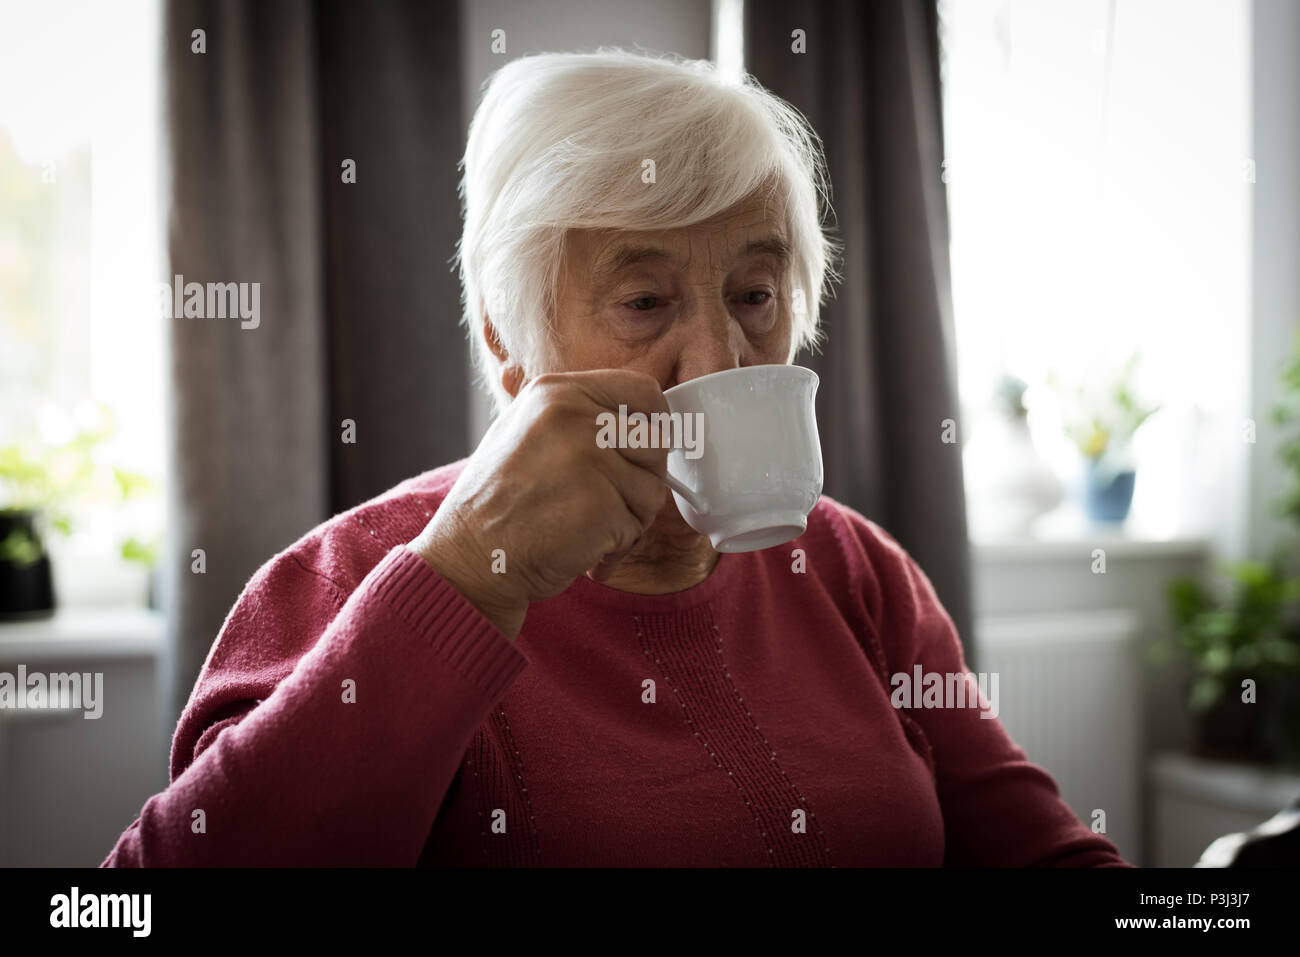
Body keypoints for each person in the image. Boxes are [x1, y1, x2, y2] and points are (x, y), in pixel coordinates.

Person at [102, 49, 1129, 867]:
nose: (713, 361)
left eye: (754, 295)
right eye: (643, 302)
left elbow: (1039, 851)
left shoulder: (856, 573)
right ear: (510, 346)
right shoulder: (346, 579)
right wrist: (462, 579)